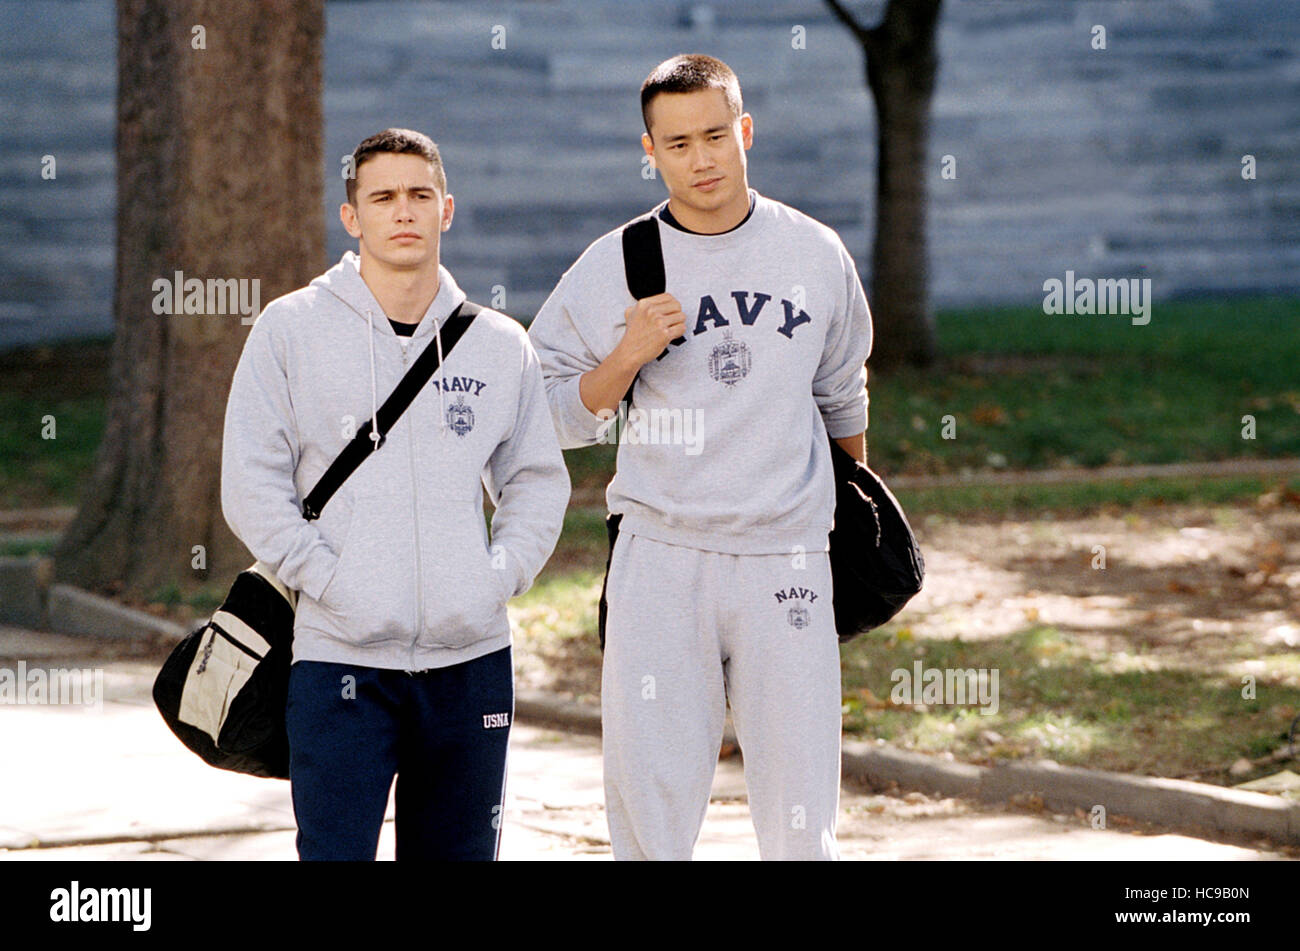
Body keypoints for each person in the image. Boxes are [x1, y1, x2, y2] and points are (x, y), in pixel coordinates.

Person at [528, 54, 872, 860]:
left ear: (745, 131)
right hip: (661, 553)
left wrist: (848, 520)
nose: (702, 158)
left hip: (783, 553)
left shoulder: (813, 253)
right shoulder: (618, 262)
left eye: (716, 135)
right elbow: (541, 412)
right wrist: (624, 357)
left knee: (800, 811)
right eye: (677, 143)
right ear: (650, 152)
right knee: (650, 803)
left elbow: (843, 396)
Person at [220, 128, 569, 861]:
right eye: (382, 197)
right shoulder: (291, 330)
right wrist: (330, 580)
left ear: (446, 208)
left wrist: (495, 579)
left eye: (418, 195)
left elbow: (535, 479)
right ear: (353, 217)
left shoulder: (500, 344)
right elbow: (250, 483)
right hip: (339, 660)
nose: (402, 211)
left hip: (471, 663)